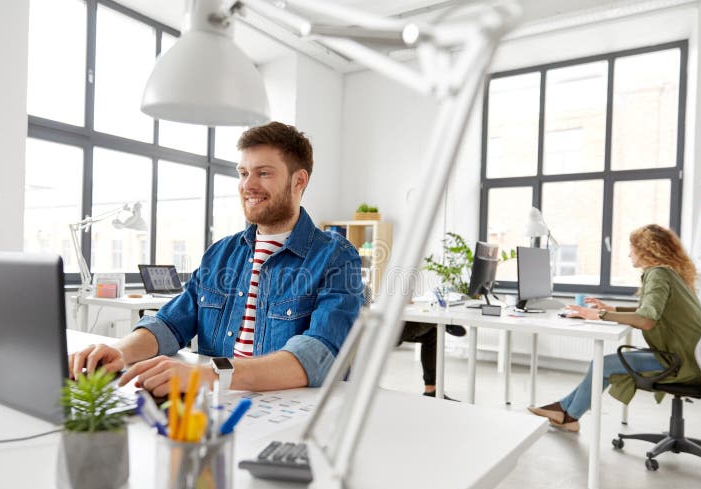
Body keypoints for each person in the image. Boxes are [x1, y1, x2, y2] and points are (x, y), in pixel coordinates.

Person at [68, 122, 363, 396]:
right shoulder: (221, 254)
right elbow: (170, 323)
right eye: (243, 173)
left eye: (263, 173)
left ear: (299, 181)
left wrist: (208, 375)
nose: (248, 185)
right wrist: (120, 351)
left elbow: (319, 355)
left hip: (291, 412)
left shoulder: (336, 257)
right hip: (218, 406)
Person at [529, 224, 701, 432]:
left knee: (604, 365)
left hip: (680, 364)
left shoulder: (657, 274)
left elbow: (647, 319)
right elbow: (654, 308)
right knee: (605, 364)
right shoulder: (670, 273)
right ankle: (565, 413)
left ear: (645, 249)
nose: (629, 254)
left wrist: (600, 315)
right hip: (694, 359)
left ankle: (568, 415)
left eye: (632, 248)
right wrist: (613, 309)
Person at [398, 321, 466, 399]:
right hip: (388, 328)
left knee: (431, 334)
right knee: (430, 327)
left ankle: (430, 391)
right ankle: (437, 321)